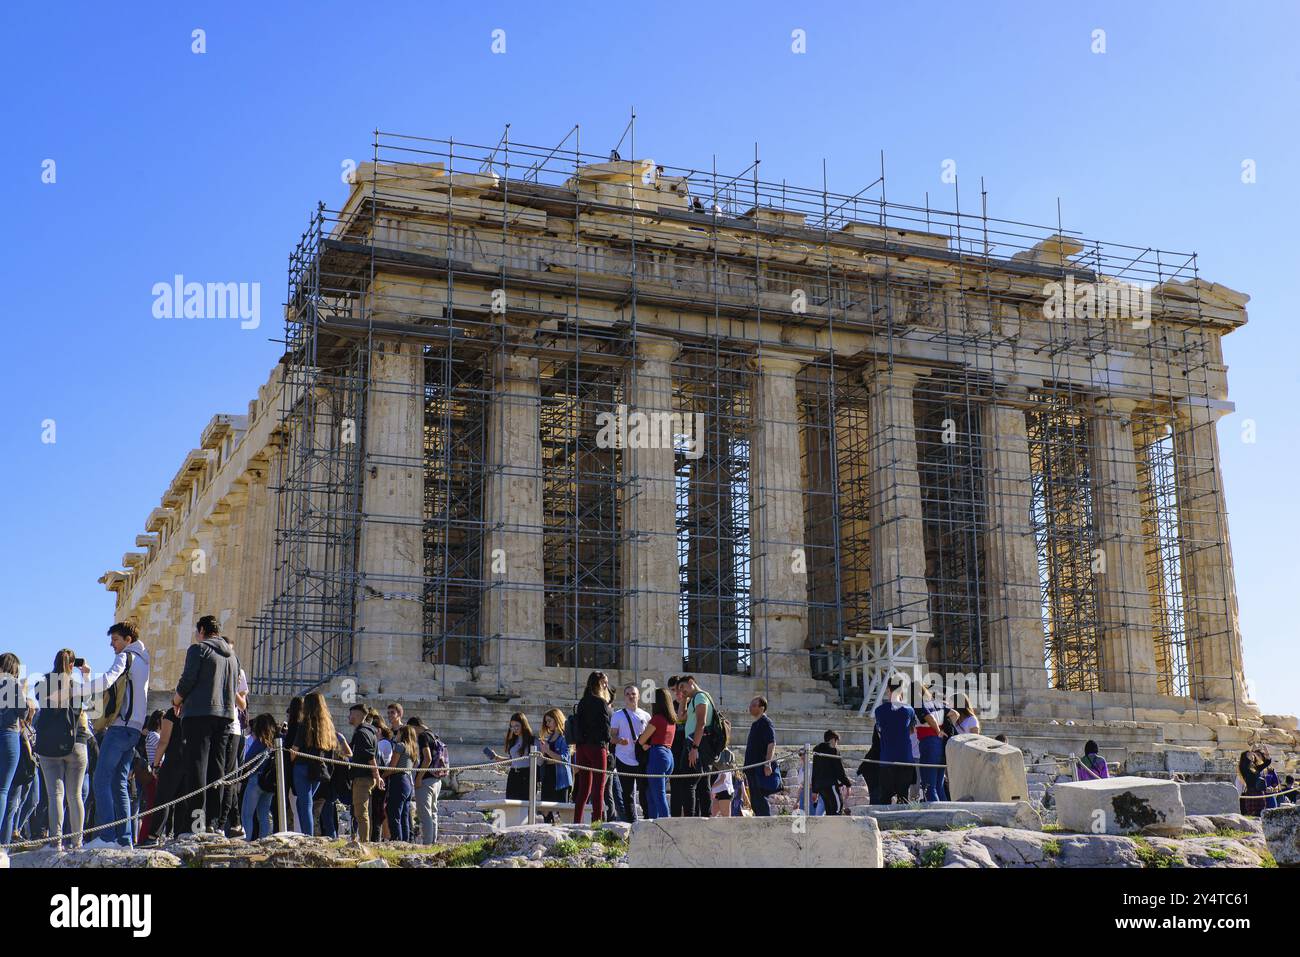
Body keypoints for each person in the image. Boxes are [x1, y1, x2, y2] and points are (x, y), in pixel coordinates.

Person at [83, 622, 151, 847]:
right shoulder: (144, 661)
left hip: (120, 727)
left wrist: (74, 690)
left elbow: (107, 680)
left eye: (115, 640)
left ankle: (107, 837)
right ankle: (125, 839)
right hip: (134, 730)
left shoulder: (126, 658)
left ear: (128, 639)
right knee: (119, 783)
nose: (112, 645)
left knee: (101, 780)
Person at [172, 615, 240, 836]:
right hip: (225, 717)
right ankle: (213, 822)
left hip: (199, 713)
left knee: (197, 769)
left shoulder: (198, 649)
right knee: (217, 769)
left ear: (201, 630)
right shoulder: (233, 657)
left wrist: (176, 700)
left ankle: (196, 825)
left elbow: (188, 679)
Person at [33, 649, 90, 850]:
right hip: (75, 743)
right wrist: (86, 675)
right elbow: (87, 706)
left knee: (55, 795)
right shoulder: (75, 686)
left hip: (48, 745)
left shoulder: (41, 684)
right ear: (72, 664)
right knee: (75, 796)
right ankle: (77, 842)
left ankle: (56, 842)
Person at [287, 691, 337, 835]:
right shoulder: (328, 726)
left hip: (302, 766)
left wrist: (291, 762)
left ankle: (308, 836)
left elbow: (294, 750)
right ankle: (305, 833)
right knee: (304, 802)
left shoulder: (305, 724)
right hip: (318, 769)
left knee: (305, 803)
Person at [0, 653, 36, 847]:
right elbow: (23, 712)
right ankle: (2, 847)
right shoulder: (11, 684)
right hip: (8, 736)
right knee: (4, 790)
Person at [137, 701, 185, 844]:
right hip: (186, 762)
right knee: (178, 801)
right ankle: (175, 834)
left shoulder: (172, 714)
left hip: (171, 762)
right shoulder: (194, 713)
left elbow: (163, 743)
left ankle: (153, 836)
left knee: (161, 801)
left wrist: (157, 765)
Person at [571, 671, 612, 824]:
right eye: (604, 683)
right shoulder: (600, 702)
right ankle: (597, 823)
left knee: (583, 788)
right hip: (597, 747)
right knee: (598, 788)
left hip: (582, 748)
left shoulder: (582, 702)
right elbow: (606, 730)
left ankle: (577, 822)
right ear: (598, 683)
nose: (606, 685)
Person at [679, 675, 720, 816]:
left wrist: (694, 748)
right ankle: (705, 816)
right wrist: (684, 698)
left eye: (683, 687)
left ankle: (691, 818)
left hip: (697, 743)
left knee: (689, 782)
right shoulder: (693, 699)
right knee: (702, 783)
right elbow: (680, 717)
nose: (681, 691)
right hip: (695, 742)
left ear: (691, 682)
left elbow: (701, 723)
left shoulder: (700, 697)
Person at [873, 678, 917, 805]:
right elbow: (912, 731)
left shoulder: (879, 710)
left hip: (887, 758)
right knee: (903, 797)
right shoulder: (909, 710)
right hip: (905, 758)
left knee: (885, 797)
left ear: (888, 689)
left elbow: (880, 732)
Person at [609, 684, 649, 823]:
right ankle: (632, 822)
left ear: (638, 696)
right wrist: (620, 740)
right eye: (628, 694)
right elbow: (612, 737)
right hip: (623, 758)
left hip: (641, 758)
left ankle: (648, 818)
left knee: (644, 792)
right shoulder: (617, 715)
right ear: (624, 697)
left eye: (633, 694)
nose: (631, 696)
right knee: (627, 793)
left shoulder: (646, 715)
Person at [636, 687, 677, 819]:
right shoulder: (672, 720)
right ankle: (654, 822)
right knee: (651, 793)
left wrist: (645, 745)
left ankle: (666, 823)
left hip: (657, 755)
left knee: (658, 794)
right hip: (669, 756)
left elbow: (641, 740)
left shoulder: (657, 719)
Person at [240, 713, 279, 840]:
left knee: (247, 814)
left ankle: (247, 840)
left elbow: (248, 758)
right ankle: (264, 840)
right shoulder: (275, 743)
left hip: (256, 780)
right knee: (264, 814)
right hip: (269, 782)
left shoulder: (260, 742)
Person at [346, 704, 381, 843]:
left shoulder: (362, 733)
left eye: (351, 714)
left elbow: (370, 756)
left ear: (358, 715)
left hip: (363, 777)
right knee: (362, 812)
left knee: (361, 813)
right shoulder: (367, 731)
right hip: (364, 776)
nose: (349, 717)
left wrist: (377, 776)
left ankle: (365, 843)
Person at [409, 717, 447, 845]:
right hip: (437, 780)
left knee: (424, 814)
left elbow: (427, 758)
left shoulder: (423, 736)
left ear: (415, 726)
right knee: (433, 812)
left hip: (425, 780)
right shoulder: (434, 735)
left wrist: (418, 778)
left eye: (412, 730)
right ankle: (433, 841)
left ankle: (427, 843)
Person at [488, 713, 534, 801]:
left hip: (526, 774)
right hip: (513, 774)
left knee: (524, 803)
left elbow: (537, 759)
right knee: (511, 802)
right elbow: (513, 760)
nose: (514, 729)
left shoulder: (532, 740)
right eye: (512, 726)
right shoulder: (513, 740)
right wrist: (498, 758)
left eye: (517, 725)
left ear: (523, 725)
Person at [743, 696, 776, 817]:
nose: (750, 707)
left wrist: (767, 763)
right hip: (752, 768)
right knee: (755, 802)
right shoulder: (755, 724)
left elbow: (771, 743)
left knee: (761, 800)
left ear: (762, 708)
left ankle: (766, 826)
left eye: (753, 705)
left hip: (759, 768)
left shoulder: (766, 722)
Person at [384, 723, 418, 842]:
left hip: (399, 781)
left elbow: (392, 767)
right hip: (408, 781)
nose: (396, 734)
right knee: (404, 814)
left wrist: (381, 776)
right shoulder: (412, 750)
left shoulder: (400, 746)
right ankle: (405, 841)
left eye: (398, 732)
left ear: (402, 734)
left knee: (393, 812)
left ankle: (396, 840)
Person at [915, 682, 947, 802]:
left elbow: (929, 718)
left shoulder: (918, 703)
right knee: (939, 786)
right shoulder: (937, 703)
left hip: (929, 743)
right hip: (941, 744)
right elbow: (954, 713)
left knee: (929, 786)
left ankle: (937, 815)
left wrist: (938, 730)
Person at [667, 677, 693, 817]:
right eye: (673, 690)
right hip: (675, 751)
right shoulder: (670, 706)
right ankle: (675, 818)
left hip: (690, 749)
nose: (677, 693)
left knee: (691, 787)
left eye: (678, 689)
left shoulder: (693, 704)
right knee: (676, 787)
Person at [812, 731, 852, 815]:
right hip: (831, 784)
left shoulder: (816, 752)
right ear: (833, 739)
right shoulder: (834, 750)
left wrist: (814, 790)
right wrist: (848, 784)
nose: (837, 744)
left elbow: (815, 771)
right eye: (837, 741)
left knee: (829, 812)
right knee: (838, 809)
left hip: (820, 787)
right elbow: (839, 770)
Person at [538, 709, 572, 803]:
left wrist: (547, 751)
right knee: (545, 809)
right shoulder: (549, 738)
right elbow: (543, 760)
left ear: (557, 719)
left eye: (549, 721)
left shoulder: (565, 737)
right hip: (547, 776)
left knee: (560, 809)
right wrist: (543, 752)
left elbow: (564, 759)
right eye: (546, 722)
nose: (547, 724)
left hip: (560, 778)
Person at [710, 749, 737, 817]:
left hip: (724, 792)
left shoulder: (725, 764)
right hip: (719, 791)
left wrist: (712, 788)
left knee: (726, 819)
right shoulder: (722, 764)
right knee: (713, 817)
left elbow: (722, 779)